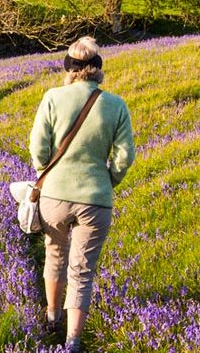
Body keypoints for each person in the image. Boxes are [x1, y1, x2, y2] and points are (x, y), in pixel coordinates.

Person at [29, 36, 135, 351]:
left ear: (69, 67)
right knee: (83, 270)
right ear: (97, 67)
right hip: (96, 199)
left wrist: (46, 174)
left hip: (54, 197)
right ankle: (73, 341)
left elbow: (38, 148)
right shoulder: (115, 105)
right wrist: (108, 180)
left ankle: (52, 318)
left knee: (55, 253)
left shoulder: (52, 98)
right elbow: (125, 155)